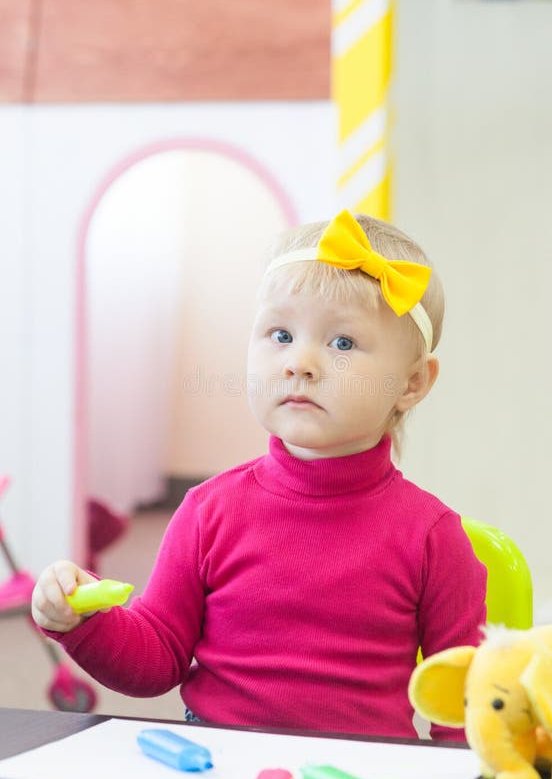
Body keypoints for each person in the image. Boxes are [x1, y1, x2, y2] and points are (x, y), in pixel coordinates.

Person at [31, 209, 486, 740]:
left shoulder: (434, 537)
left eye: (342, 343)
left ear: (411, 382)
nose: (300, 363)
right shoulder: (208, 511)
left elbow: (465, 705)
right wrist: (82, 622)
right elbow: (158, 660)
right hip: (220, 769)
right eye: (280, 334)